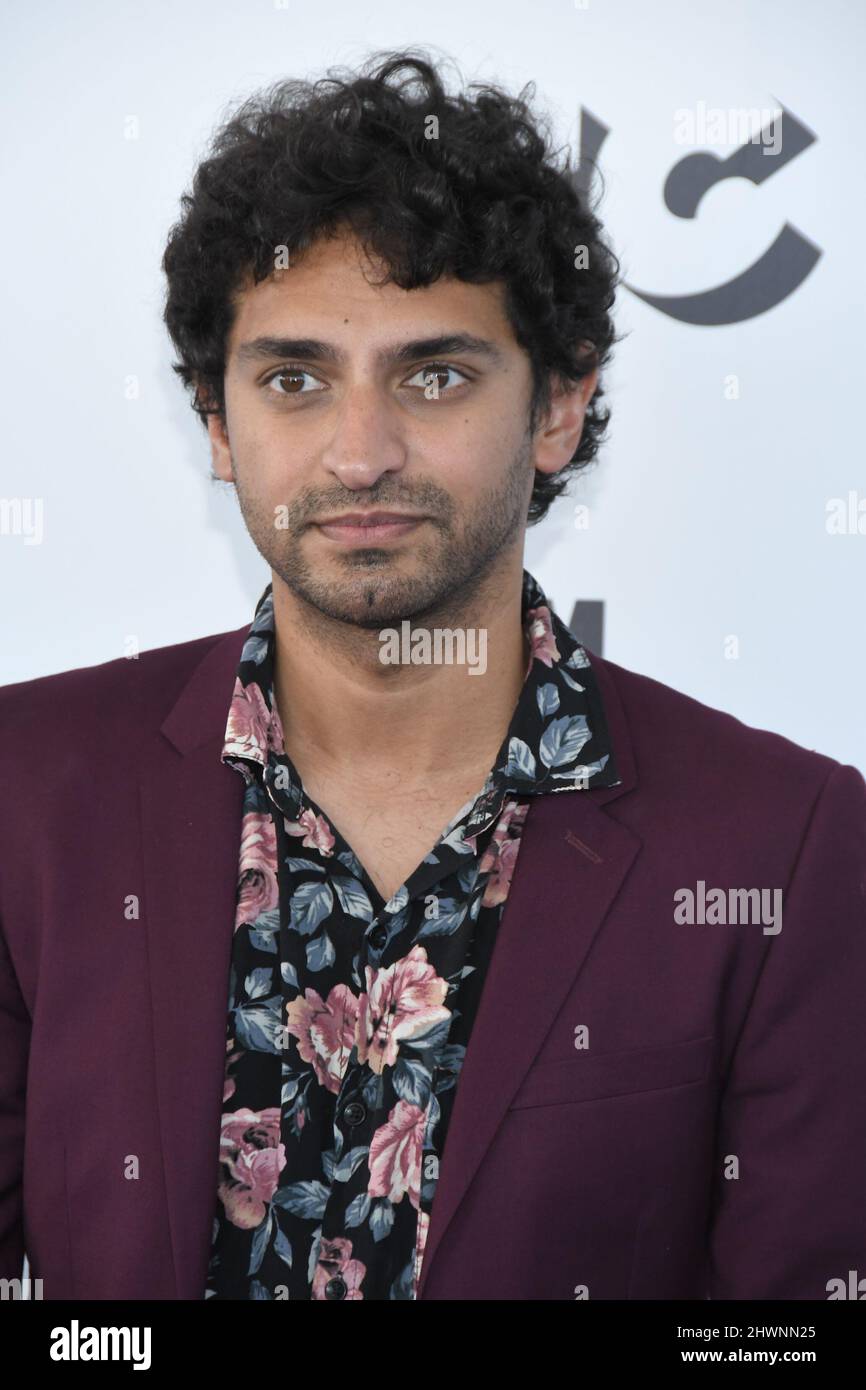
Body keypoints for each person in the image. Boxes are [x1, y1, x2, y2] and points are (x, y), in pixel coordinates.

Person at [1, 48, 864, 1302]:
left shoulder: (783, 845)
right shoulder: (26, 794)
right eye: (293, 379)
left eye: (435, 375)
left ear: (559, 406)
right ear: (214, 422)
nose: (360, 454)